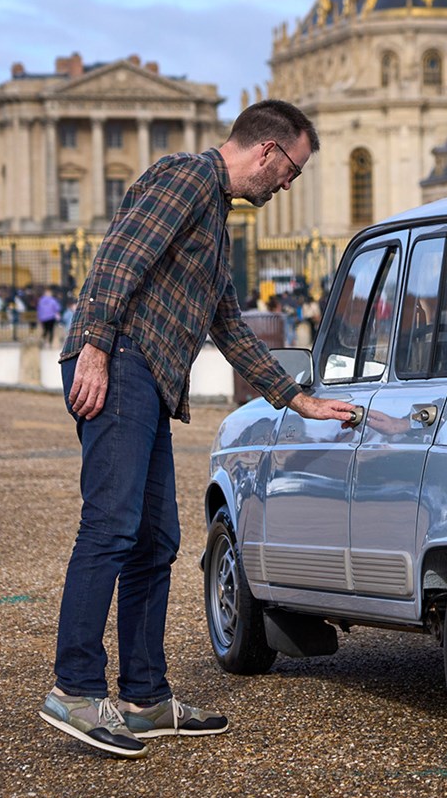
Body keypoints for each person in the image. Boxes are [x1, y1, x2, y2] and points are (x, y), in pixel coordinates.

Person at [39, 100, 357, 759]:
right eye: (292, 170)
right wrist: (94, 347)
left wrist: (297, 400)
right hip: (120, 362)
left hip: (147, 377)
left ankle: (144, 697)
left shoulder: (215, 216)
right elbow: (118, 259)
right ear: (267, 151)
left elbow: (230, 329)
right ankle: (74, 688)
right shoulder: (186, 176)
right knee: (111, 526)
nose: (288, 185)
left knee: (156, 539)